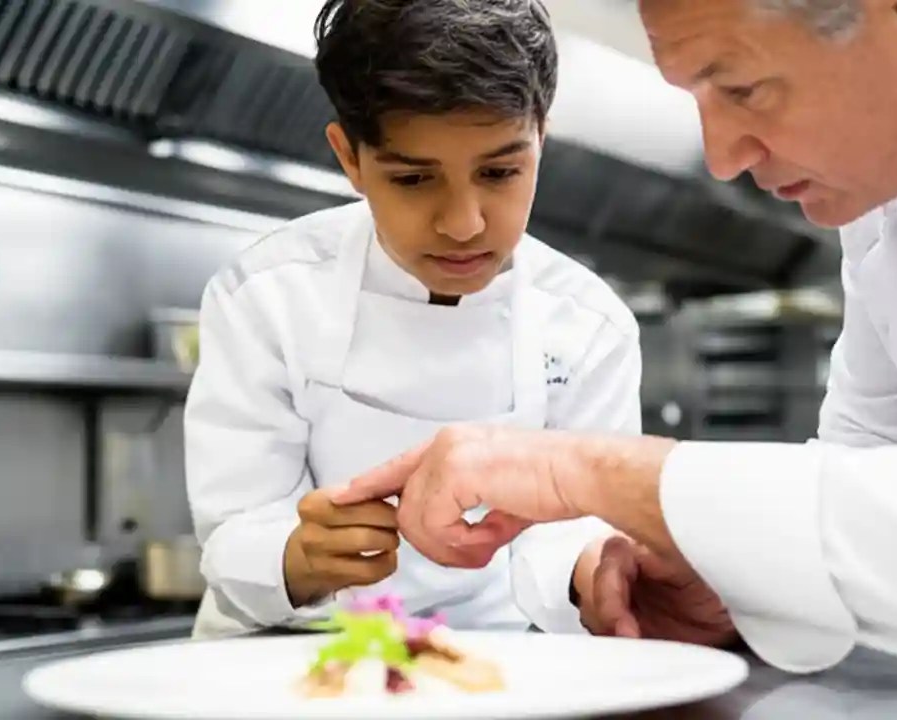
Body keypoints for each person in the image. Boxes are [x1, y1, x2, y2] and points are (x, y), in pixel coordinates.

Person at [333, 0, 897, 717]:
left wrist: (581, 471)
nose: (722, 157)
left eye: (745, 88)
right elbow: (863, 475)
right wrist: (735, 580)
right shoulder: (886, 183)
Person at [183, 0, 641, 640]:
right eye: (414, 179)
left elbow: (577, 529)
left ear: (542, 138)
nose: (463, 223)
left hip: (498, 673)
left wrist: (592, 571)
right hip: (286, 673)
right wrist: (295, 558)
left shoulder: (591, 328)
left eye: (501, 172)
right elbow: (232, 533)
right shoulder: (266, 296)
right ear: (350, 157)